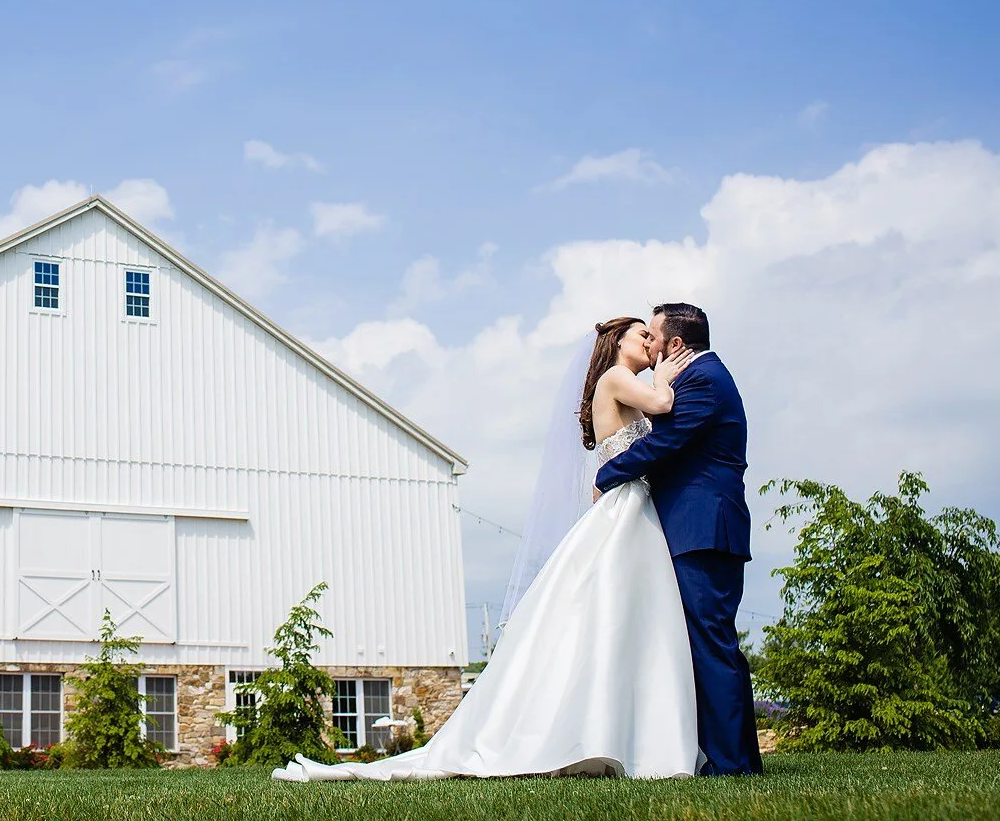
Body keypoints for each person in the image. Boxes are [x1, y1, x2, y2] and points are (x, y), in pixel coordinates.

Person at [274, 315, 700, 782]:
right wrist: (666, 374)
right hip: (625, 510)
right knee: (615, 615)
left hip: (632, 505)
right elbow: (661, 402)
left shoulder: (619, 384)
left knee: (625, 621)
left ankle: (622, 732)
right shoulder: (617, 377)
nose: (652, 344)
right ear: (618, 341)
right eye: (642, 335)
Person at [593, 302, 764, 776]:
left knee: (710, 643)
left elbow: (667, 441)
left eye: (653, 336)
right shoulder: (694, 378)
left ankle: (732, 766)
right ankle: (734, 758)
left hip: (703, 528)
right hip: (696, 527)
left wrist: (607, 474)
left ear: (675, 344)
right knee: (710, 643)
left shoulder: (704, 380)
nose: (648, 343)